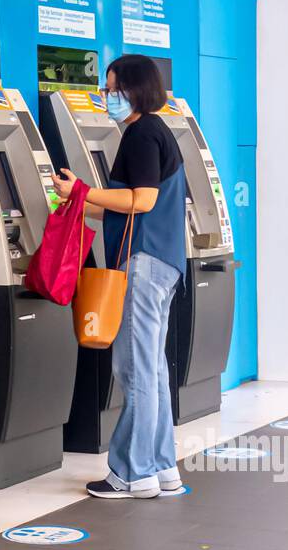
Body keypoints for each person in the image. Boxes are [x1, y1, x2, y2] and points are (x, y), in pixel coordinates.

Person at [51, 55, 188, 499]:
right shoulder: (157, 131)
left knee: (134, 370)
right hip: (163, 261)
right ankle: (163, 468)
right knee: (152, 369)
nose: (106, 96)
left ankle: (131, 473)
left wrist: (84, 192)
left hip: (143, 263)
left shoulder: (142, 132)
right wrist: (76, 200)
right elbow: (121, 205)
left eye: (111, 88)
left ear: (134, 89)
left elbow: (142, 200)